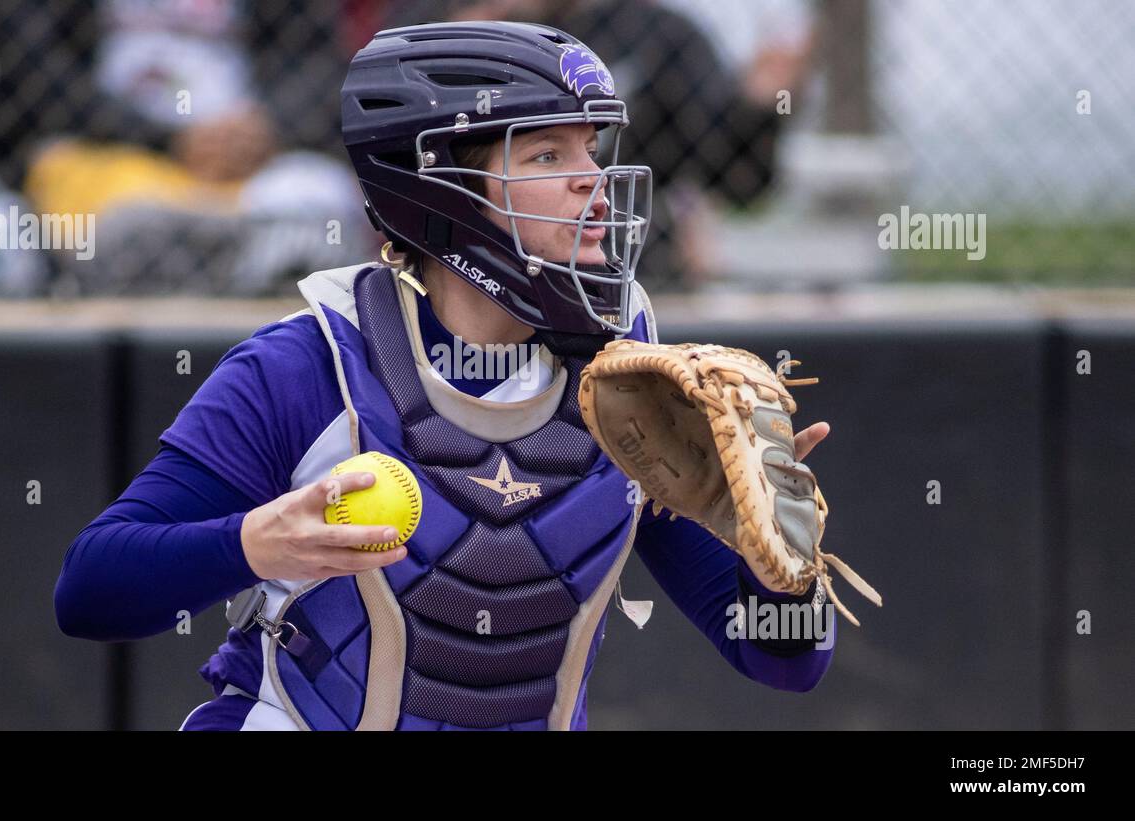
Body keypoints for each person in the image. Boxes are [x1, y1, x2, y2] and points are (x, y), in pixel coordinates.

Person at [55, 21, 834, 731]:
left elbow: (785, 662)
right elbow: (90, 591)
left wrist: (785, 572)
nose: (591, 180)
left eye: (591, 148)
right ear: (442, 191)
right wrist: (254, 543)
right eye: (546, 154)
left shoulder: (631, 383)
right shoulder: (310, 364)